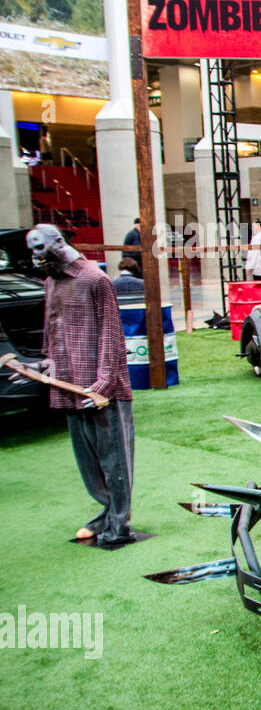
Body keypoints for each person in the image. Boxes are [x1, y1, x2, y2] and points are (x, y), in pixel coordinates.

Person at [1, 225, 134, 547]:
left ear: (59, 243)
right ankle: (106, 512)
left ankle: (119, 523)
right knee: (88, 462)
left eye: (38, 248)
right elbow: (53, 336)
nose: (34, 256)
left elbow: (112, 338)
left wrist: (102, 384)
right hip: (67, 386)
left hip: (101, 391)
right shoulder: (51, 282)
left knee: (114, 460)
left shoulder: (94, 279)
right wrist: (40, 366)